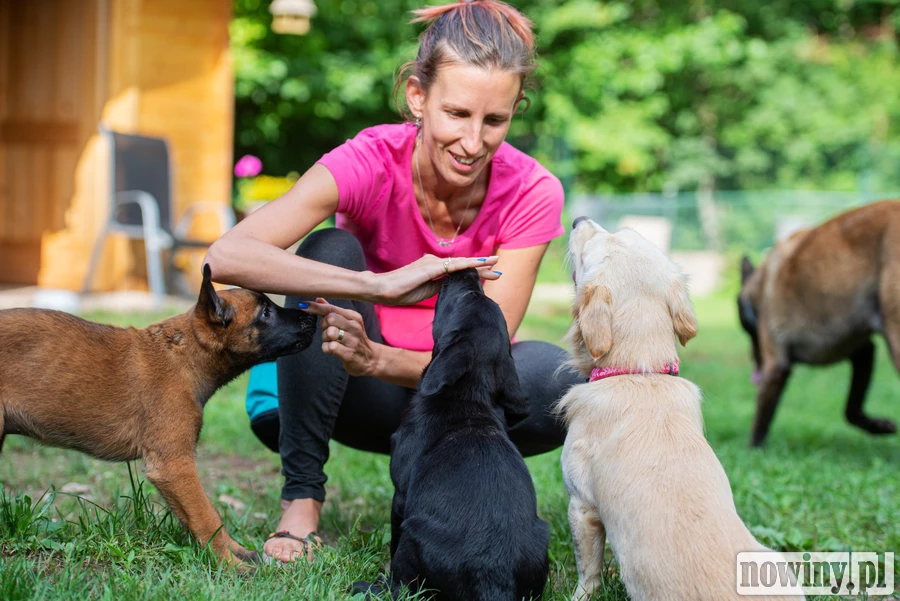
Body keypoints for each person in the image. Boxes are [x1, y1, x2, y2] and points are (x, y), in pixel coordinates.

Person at [204, 0, 584, 564]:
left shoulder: (533, 190)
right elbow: (226, 256)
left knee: (555, 377)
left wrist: (378, 358)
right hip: (335, 399)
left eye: (495, 120)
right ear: (417, 97)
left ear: (515, 110)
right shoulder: (370, 160)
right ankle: (301, 500)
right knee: (330, 248)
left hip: (442, 407)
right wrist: (380, 287)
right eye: (457, 113)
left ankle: (445, 485)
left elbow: (486, 353)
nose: (474, 141)